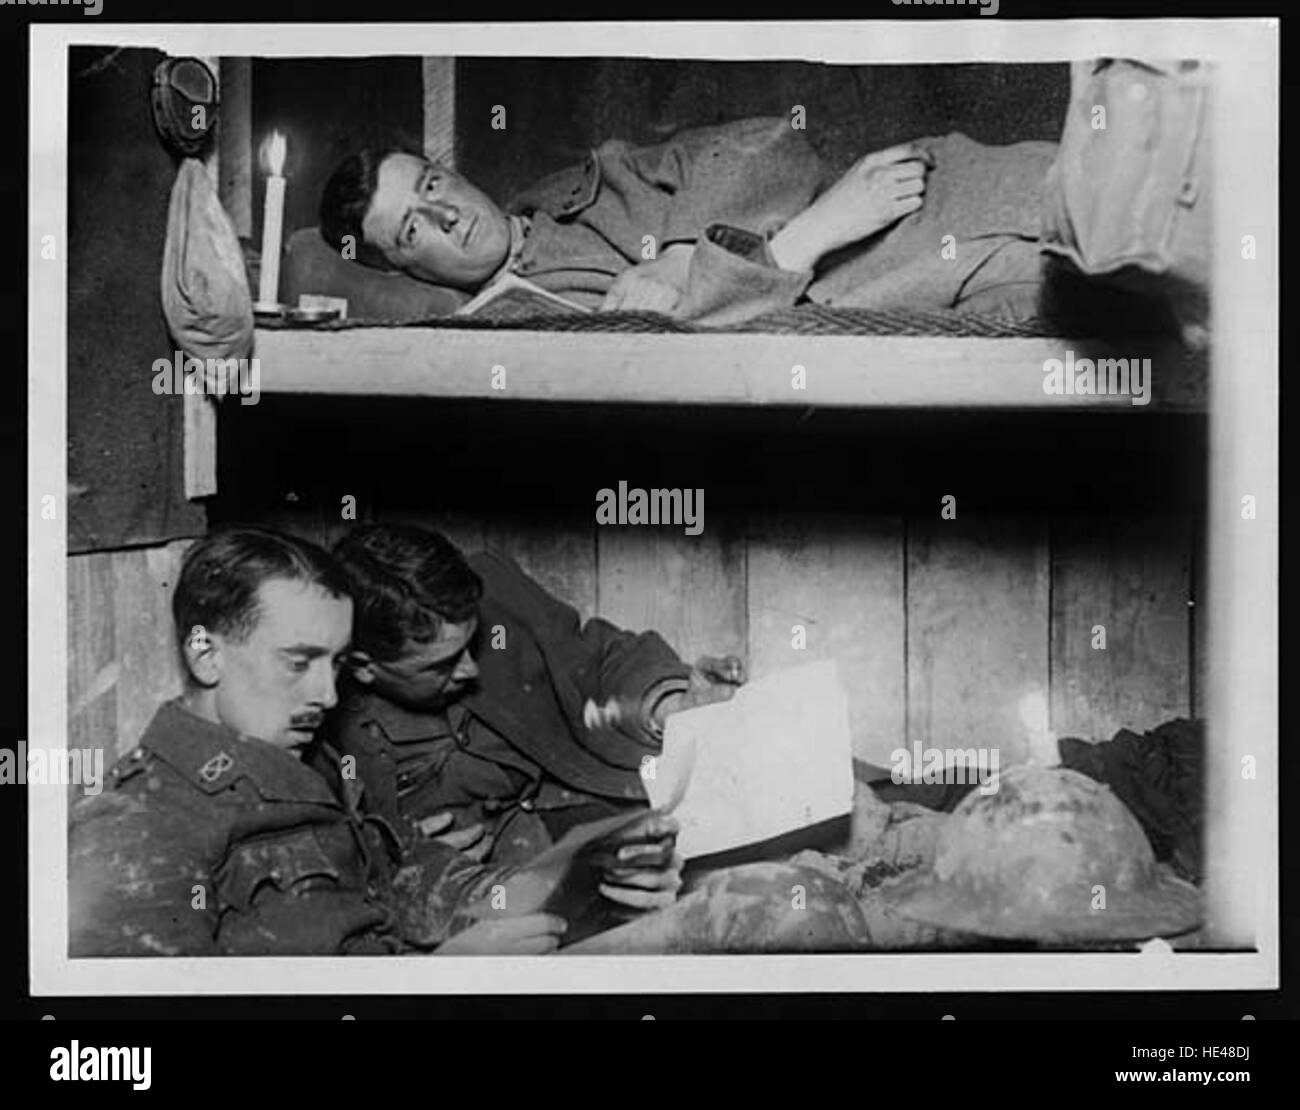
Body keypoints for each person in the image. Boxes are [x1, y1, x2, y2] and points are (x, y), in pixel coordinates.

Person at [67, 528, 681, 957]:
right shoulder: (136, 824)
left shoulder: (308, 777)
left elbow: (408, 879)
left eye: (333, 665)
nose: (329, 697)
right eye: (298, 662)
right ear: (205, 654)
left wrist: (585, 881)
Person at [319, 116, 1057, 326]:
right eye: (414, 229)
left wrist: (676, 256)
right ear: (403, 266)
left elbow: (764, 141)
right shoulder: (513, 325)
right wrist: (808, 235)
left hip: (933, 195)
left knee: (1143, 199)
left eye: (433, 181)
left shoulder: (587, 179)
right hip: (912, 272)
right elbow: (665, 350)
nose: (449, 212)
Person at [313, 523, 743, 868]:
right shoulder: (320, 725)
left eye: (472, 643)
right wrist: (390, 860)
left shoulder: (495, 592)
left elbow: (593, 662)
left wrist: (669, 705)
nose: (470, 669)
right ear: (362, 666)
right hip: (500, 889)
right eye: (439, 666)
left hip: (611, 808)